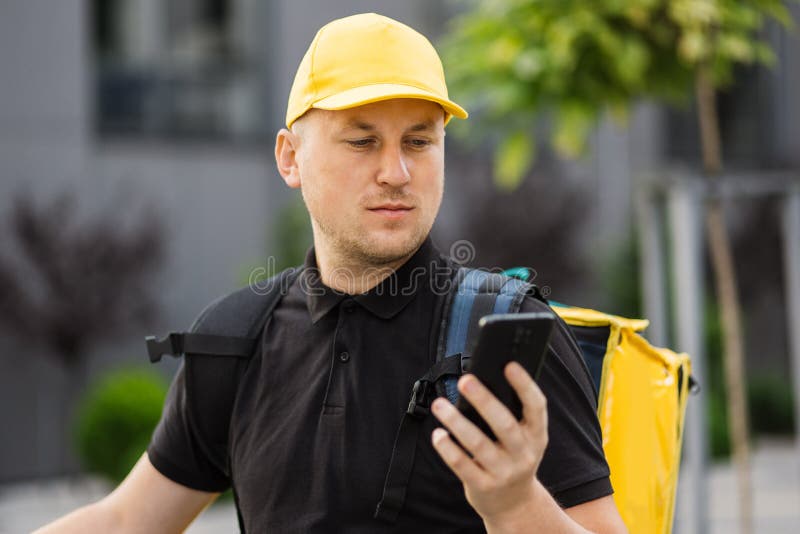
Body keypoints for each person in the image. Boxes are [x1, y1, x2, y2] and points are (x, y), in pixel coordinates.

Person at [36, 13, 628, 534]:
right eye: (362, 141)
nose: (395, 171)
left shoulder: (509, 330)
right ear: (290, 158)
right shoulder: (235, 338)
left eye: (419, 141)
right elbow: (126, 521)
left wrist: (515, 504)